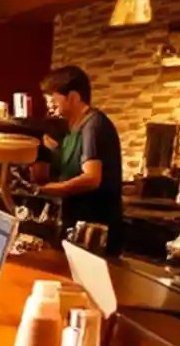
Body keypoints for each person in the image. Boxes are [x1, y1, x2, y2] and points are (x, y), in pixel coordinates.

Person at [36, 65, 125, 255]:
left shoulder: (94, 125)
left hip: (94, 232)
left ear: (73, 97)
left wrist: (42, 190)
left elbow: (92, 178)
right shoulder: (69, 130)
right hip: (73, 224)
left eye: (52, 99)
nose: (49, 106)